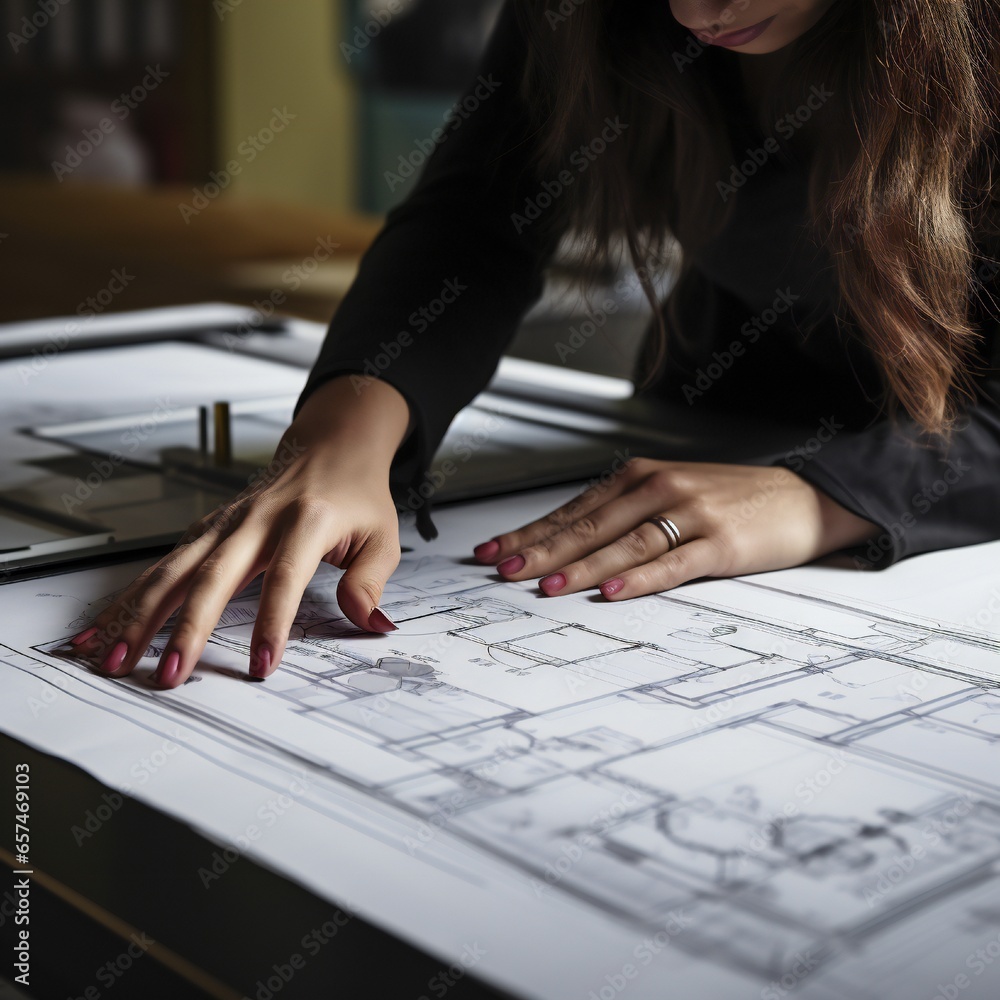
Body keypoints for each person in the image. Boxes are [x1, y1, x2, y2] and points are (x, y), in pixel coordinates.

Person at [71, 0, 1000, 688]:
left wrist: (822, 499)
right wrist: (346, 433)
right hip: (703, 418)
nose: (697, 11)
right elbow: (479, 214)